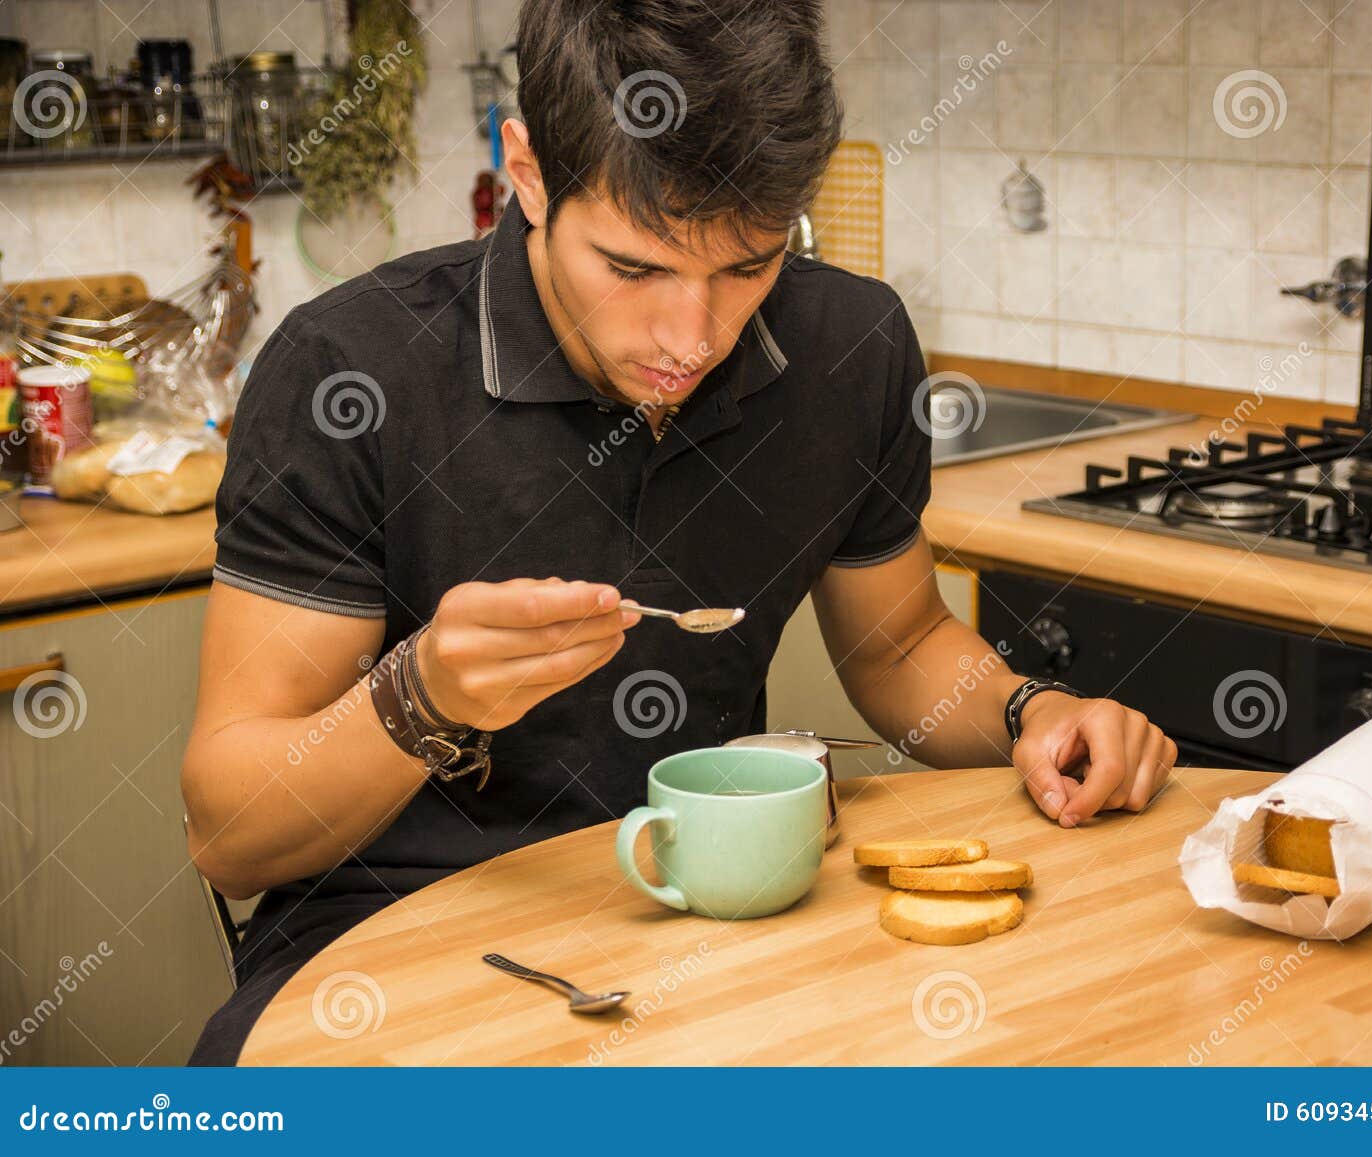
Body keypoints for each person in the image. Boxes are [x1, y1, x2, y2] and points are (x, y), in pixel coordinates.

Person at [182, 0, 1175, 1064]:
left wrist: (1036, 711)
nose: (690, 338)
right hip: (377, 943)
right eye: (635, 267)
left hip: (705, 915)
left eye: (748, 265)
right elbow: (232, 836)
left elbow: (897, 646)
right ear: (526, 174)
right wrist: (418, 698)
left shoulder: (852, 343)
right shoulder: (351, 370)